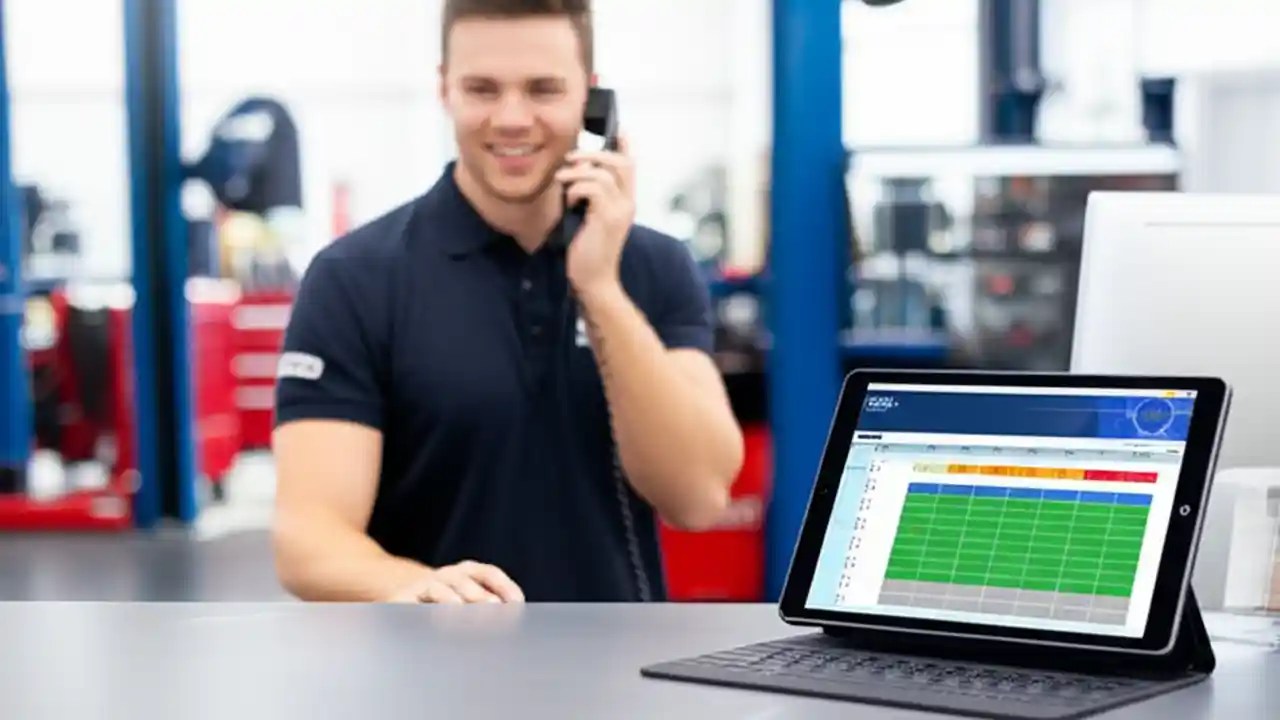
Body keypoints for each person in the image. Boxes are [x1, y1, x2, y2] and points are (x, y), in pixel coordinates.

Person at [270, 0, 745, 604]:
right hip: (428, 678)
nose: (512, 118)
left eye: (544, 90)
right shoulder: (353, 278)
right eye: (482, 89)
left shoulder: (653, 267)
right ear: (444, 89)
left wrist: (599, 288)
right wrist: (418, 588)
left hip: (615, 685)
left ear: (592, 101)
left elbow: (698, 497)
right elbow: (309, 538)